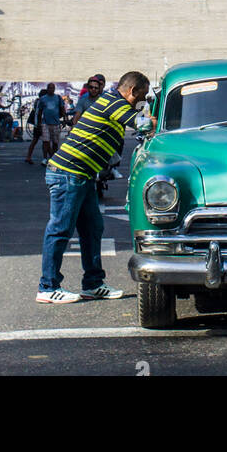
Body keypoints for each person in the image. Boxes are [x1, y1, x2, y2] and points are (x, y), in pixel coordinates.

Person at [36, 70, 153, 304]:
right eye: (142, 95)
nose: (141, 101)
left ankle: (93, 283)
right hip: (68, 174)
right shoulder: (114, 102)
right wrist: (157, 117)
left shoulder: (111, 101)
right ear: (132, 91)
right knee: (60, 229)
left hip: (83, 175)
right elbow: (140, 124)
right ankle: (47, 287)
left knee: (92, 229)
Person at [38, 83, 65, 165]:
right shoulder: (43, 99)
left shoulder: (58, 98)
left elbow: (62, 109)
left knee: (55, 142)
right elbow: (39, 112)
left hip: (56, 123)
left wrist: (64, 119)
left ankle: (53, 158)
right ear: (47, 89)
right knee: (46, 141)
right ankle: (45, 158)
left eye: (52, 88)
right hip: (45, 123)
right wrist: (39, 124)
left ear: (54, 89)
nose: (51, 89)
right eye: (49, 88)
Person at [25, 89, 47, 165]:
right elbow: (39, 114)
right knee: (46, 142)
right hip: (41, 124)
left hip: (37, 124)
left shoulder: (37, 101)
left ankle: (28, 157)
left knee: (34, 141)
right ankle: (46, 158)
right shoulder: (41, 102)